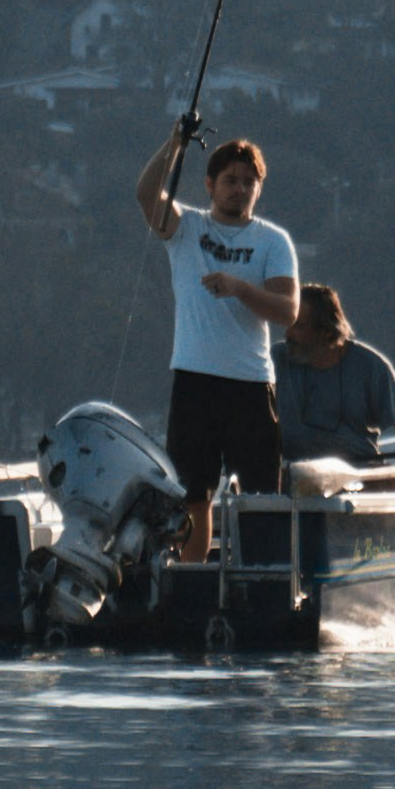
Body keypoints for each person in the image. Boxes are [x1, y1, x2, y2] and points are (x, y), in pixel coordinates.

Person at [132, 121, 299, 515]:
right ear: (210, 185)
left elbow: (288, 312)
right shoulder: (186, 227)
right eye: (230, 180)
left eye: (248, 181)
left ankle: (262, 570)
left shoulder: (272, 241)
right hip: (195, 381)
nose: (239, 189)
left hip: (251, 383)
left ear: (258, 188)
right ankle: (192, 571)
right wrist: (175, 142)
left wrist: (241, 288)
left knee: (261, 496)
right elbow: (145, 194)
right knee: (191, 495)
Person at [273, 283, 395, 469]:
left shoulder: (368, 366)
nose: (288, 334)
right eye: (288, 324)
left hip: (359, 479)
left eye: (299, 327)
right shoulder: (276, 360)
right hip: (294, 481)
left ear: (327, 332)